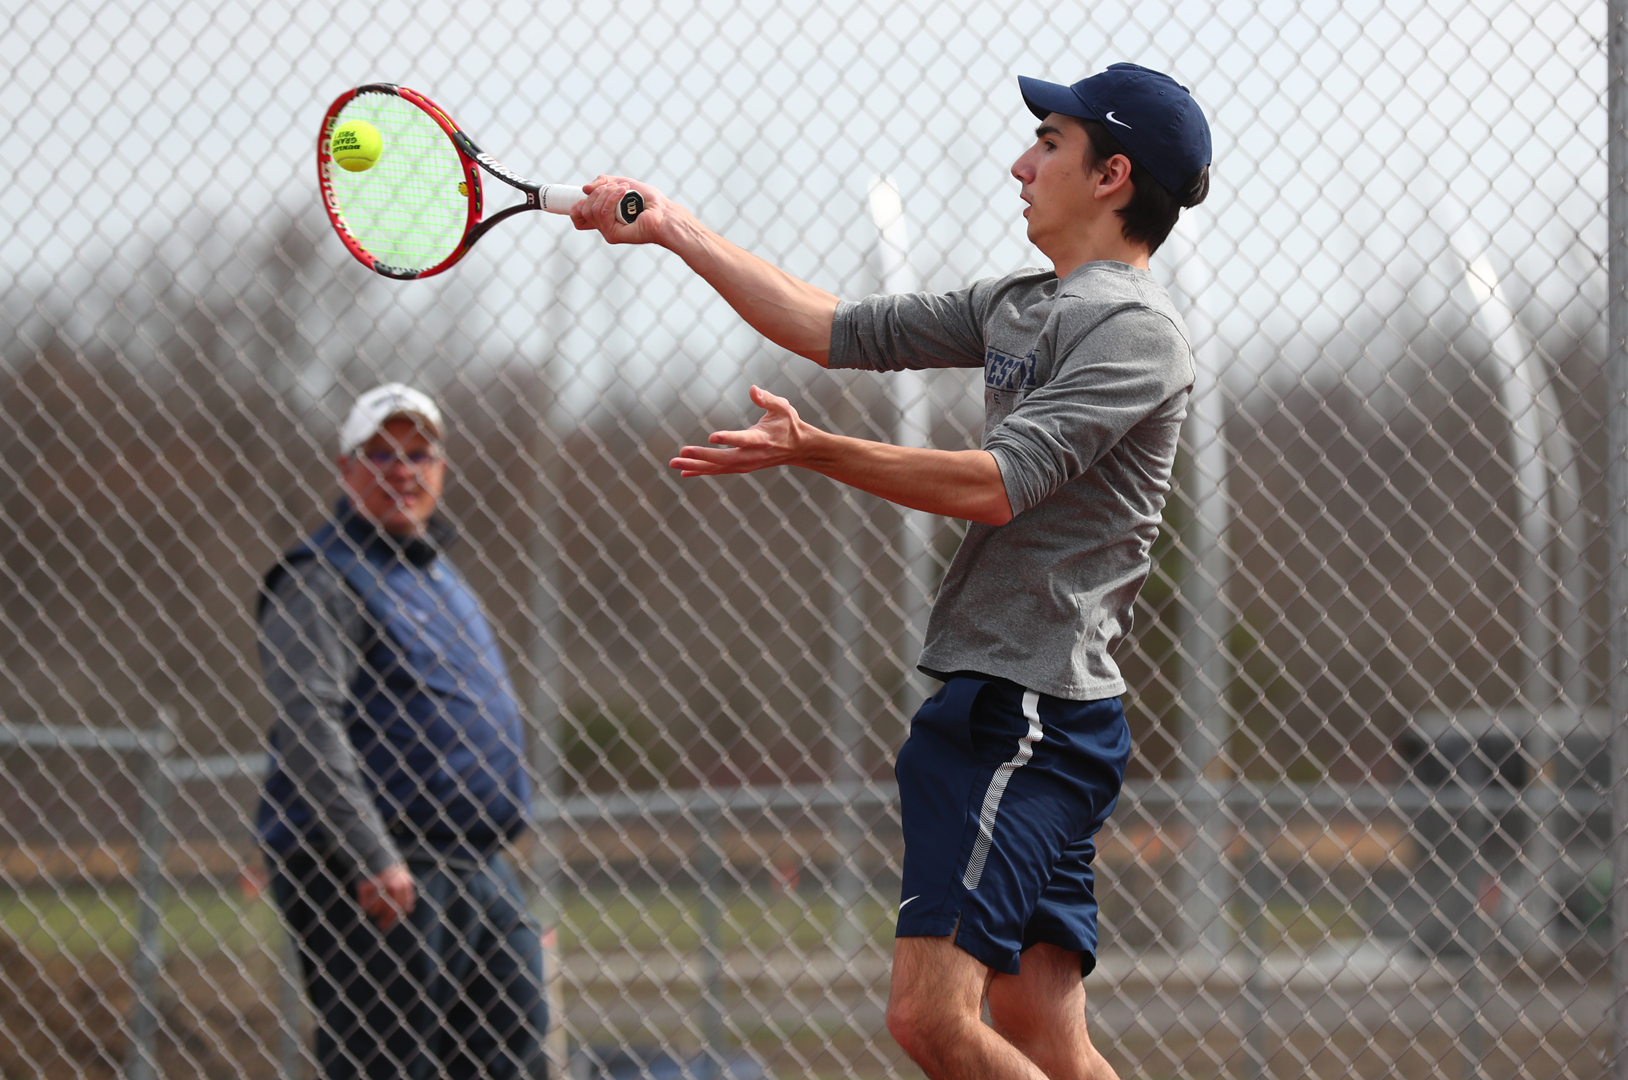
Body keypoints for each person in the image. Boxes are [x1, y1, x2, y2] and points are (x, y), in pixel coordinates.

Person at [573, 63, 1211, 1080]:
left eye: (1049, 142)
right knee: (1045, 1032)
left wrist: (815, 449)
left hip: (1028, 715)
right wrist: (673, 228)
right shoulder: (1021, 303)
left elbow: (998, 485)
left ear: (1112, 175)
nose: (1021, 164)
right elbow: (833, 329)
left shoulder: (1136, 330)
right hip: (1022, 706)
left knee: (930, 1018)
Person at [254, 384, 547, 1080]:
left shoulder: (437, 575)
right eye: (380, 454)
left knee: (512, 1050)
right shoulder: (321, 578)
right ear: (345, 468)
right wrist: (372, 855)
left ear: (441, 467)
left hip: (474, 863)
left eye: (419, 454)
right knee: (387, 1063)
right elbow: (308, 724)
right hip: (380, 868)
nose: (403, 471)